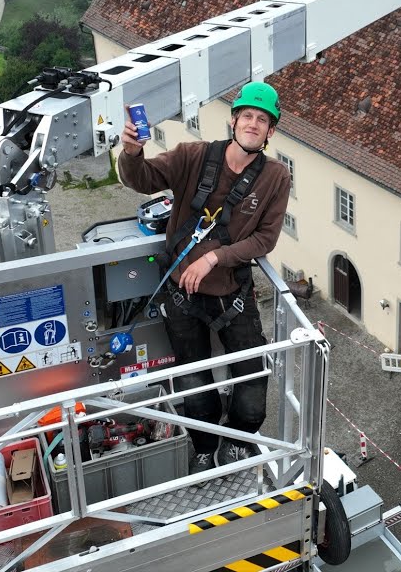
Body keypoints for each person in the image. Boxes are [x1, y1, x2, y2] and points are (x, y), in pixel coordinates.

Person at [117, 82, 291, 476]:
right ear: (234, 120)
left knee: (252, 389)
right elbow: (142, 179)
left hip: (232, 292)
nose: (253, 123)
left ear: (270, 132)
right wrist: (131, 152)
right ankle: (205, 446)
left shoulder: (274, 178)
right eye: (247, 115)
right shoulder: (194, 156)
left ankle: (237, 442)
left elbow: (265, 238)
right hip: (182, 295)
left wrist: (215, 256)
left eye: (262, 120)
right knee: (195, 384)